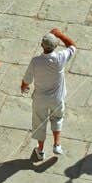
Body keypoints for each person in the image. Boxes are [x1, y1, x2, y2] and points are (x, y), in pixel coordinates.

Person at [21, 28, 77, 162]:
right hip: (57, 98)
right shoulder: (60, 58)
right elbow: (73, 46)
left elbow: (26, 80)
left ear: (42, 45)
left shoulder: (35, 61)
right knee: (57, 118)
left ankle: (40, 150)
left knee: (39, 123)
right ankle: (57, 144)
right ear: (56, 46)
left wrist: (24, 87)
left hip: (40, 98)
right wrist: (60, 34)